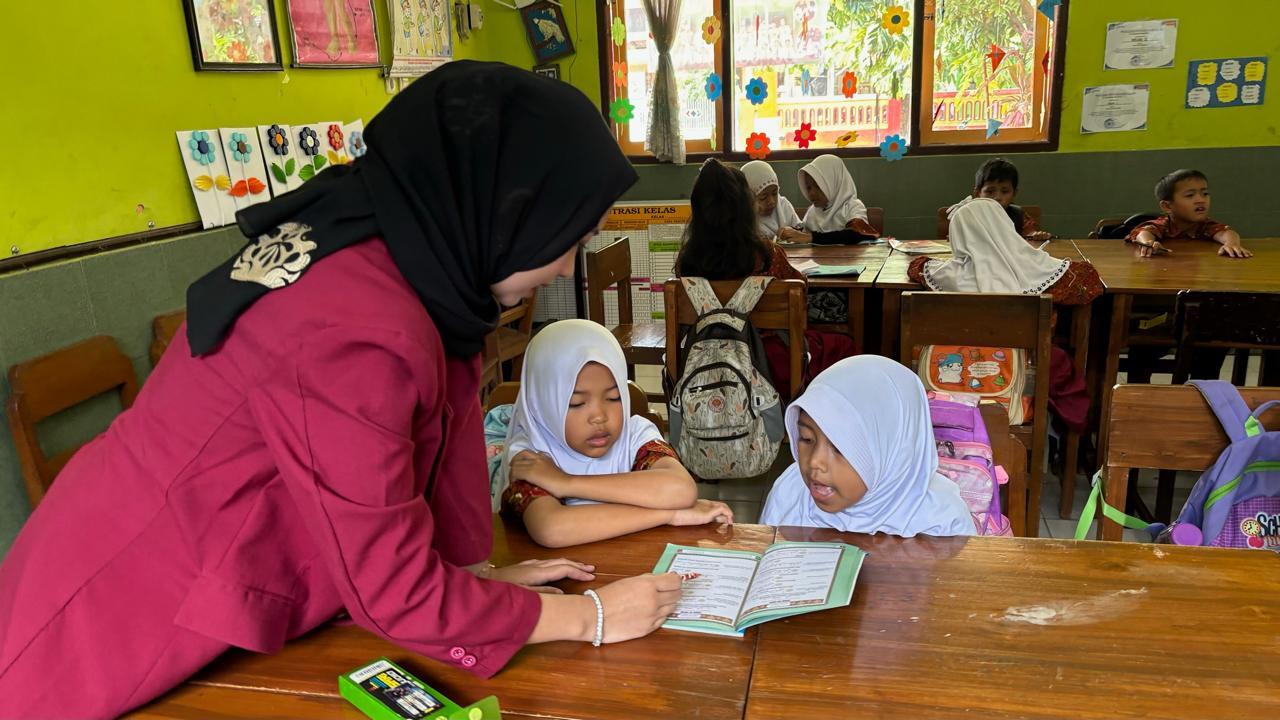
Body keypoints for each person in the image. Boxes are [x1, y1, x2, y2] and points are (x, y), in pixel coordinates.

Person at [0, 62, 682, 718]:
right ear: (505, 209)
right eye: (569, 236)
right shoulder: (353, 325)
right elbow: (391, 587)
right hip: (114, 607)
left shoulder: (419, 250)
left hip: (215, 570)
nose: (566, 262)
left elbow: (447, 414)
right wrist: (584, 616)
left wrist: (476, 574)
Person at [498, 320, 733, 547]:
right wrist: (669, 514)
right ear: (542, 404)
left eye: (614, 397)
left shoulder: (634, 434)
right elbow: (552, 528)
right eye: (577, 403)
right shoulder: (530, 454)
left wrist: (566, 483)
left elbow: (680, 490)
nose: (599, 416)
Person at [907, 197, 1100, 432]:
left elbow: (916, 266)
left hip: (957, 363)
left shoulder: (941, 275)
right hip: (1018, 365)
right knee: (1062, 362)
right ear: (1005, 227)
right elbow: (1089, 283)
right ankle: (1073, 445)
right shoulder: (1039, 271)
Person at [674, 159, 857, 398]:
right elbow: (799, 297)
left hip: (703, 365)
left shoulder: (686, 263)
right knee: (846, 345)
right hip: (769, 366)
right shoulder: (766, 254)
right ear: (745, 208)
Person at [760, 356, 976, 536]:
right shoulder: (790, 493)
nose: (815, 461)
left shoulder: (941, 521)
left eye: (840, 447)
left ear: (891, 451)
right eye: (806, 439)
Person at [1127, 169, 1251, 259]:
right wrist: (1148, 243)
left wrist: (1231, 243)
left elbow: (1226, 232)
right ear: (1167, 206)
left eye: (1205, 193)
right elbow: (1145, 232)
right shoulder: (1164, 224)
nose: (1201, 200)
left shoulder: (1205, 225)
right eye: (1190, 195)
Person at [788, 154, 879, 245]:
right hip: (818, 259)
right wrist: (791, 232)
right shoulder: (813, 212)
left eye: (818, 186)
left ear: (834, 183)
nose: (811, 193)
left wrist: (812, 237)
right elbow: (803, 234)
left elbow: (857, 234)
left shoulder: (852, 206)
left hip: (848, 258)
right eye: (808, 188)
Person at [972, 158, 1052, 243]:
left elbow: (1030, 234)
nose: (997, 197)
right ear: (977, 193)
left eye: (1005, 191)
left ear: (1014, 194)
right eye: (990, 191)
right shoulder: (968, 216)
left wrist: (1037, 236)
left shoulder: (1019, 216)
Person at [741, 160, 802, 241]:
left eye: (774, 193)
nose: (771, 201)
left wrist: (792, 232)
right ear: (749, 198)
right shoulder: (743, 216)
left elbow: (800, 229)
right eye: (763, 197)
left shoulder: (783, 205)